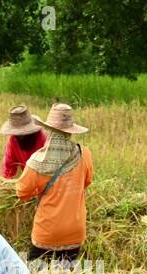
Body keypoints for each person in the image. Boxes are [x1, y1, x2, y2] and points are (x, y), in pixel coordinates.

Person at [16, 103, 93, 261]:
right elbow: (87, 181)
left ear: (48, 130)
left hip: (46, 233)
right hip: (75, 232)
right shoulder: (84, 154)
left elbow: (21, 193)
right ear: (70, 132)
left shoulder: (36, 162)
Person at [0, 104, 47, 179]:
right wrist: (5, 184)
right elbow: (8, 167)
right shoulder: (13, 140)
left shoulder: (42, 138)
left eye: (23, 134)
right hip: (28, 180)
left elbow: (49, 168)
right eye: (18, 133)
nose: (20, 136)